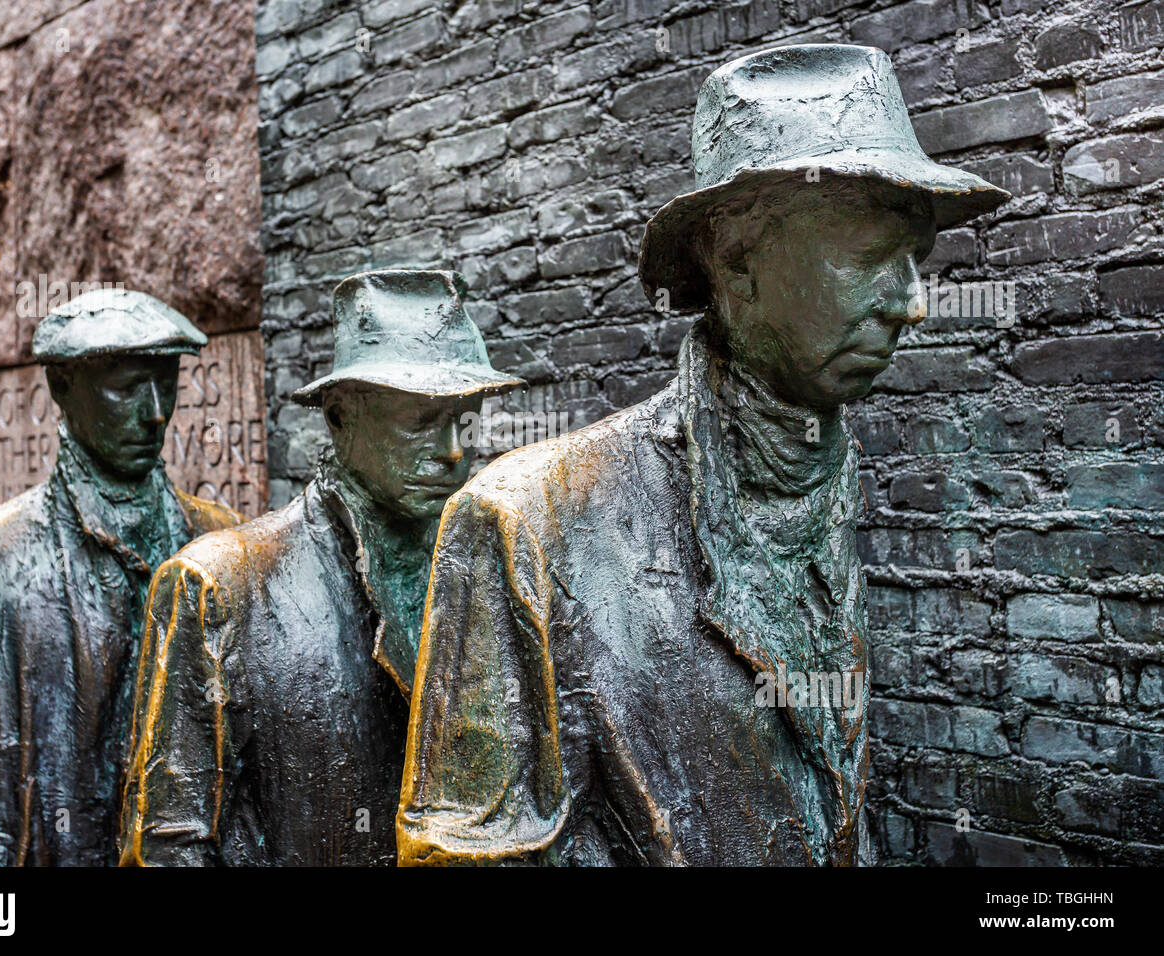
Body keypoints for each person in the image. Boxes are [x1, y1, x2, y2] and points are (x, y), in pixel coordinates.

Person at [397, 44, 1010, 866]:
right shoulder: (526, 522)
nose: (915, 306)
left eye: (917, 261)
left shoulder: (824, 470)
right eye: (870, 259)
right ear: (737, 264)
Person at [120, 269, 523, 865]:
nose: (454, 452)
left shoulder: (498, 569)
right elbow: (169, 844)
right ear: (339, 416)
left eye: (463, 418)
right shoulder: (219, 588)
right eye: (421, 421)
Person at [0, 289, 240, 866]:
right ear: (61, 386)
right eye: (128, 386)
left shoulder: (223, 543)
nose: (156, 411)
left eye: (166, 381)